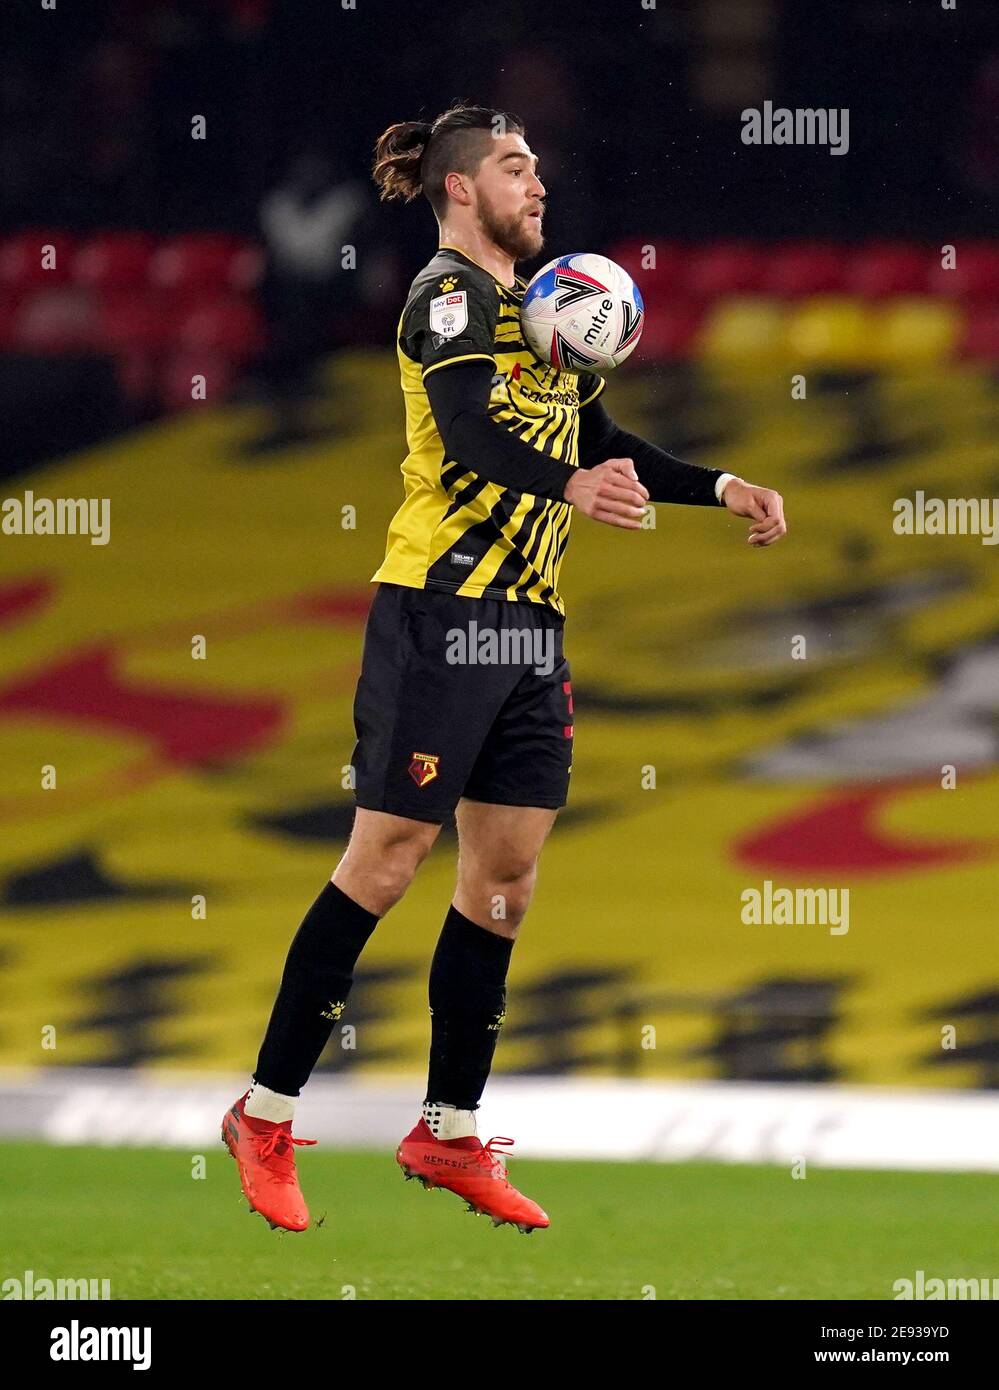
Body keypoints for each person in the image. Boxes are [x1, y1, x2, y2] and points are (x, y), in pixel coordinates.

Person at [222, 102, 787, 1234]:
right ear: (461, 189)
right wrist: (569, 487)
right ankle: (265, 1113)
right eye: (516, 166)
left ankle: (449, 1131)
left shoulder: (545, 308)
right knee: (383, 865)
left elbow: (593, 440)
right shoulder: (449, 296)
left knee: (506, 883)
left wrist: (718, 484)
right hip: (440, 607)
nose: (539, 182)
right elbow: (474, 430)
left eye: (538, 164)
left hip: (529, 626)